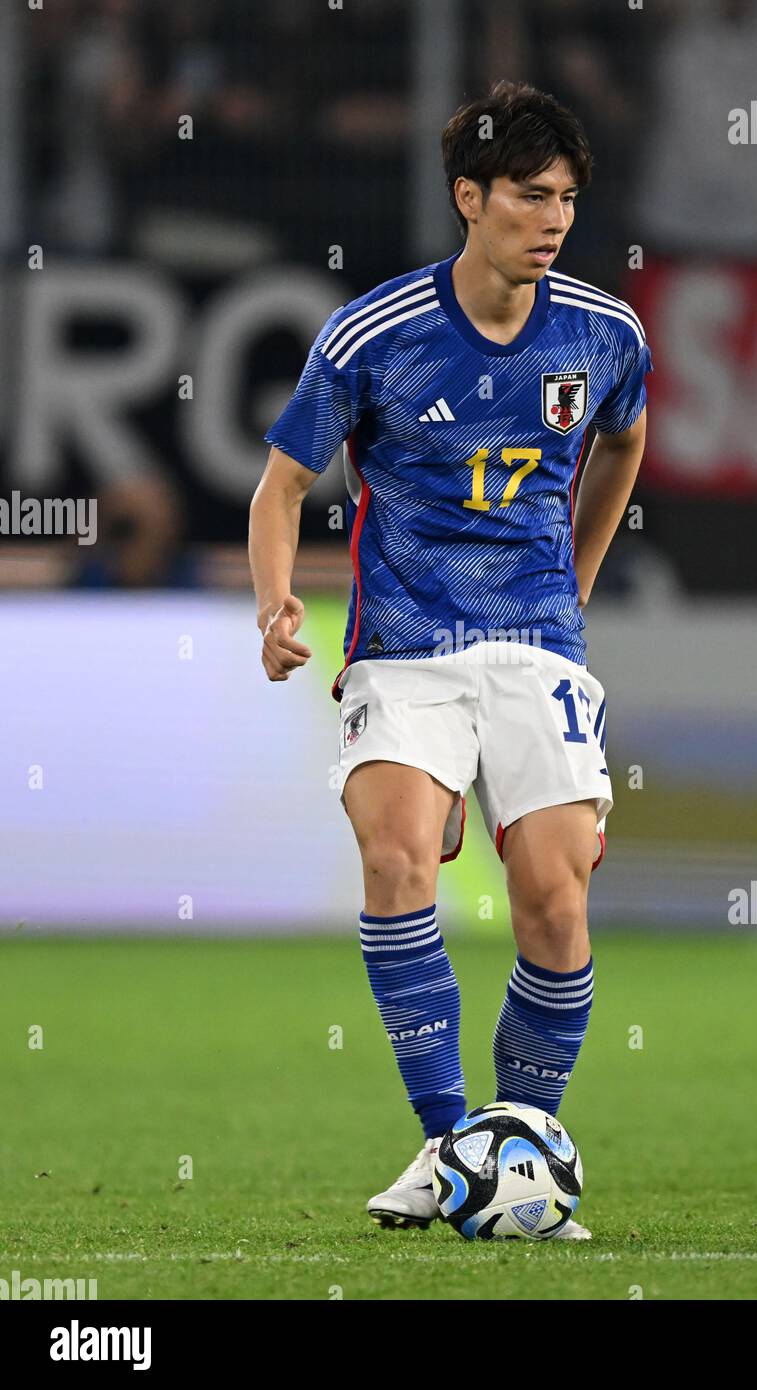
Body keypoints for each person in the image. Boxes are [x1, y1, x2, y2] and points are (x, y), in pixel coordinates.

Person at [249, 80, 652, 1240]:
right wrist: (276, 603)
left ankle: (515, 1150)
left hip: (537, 646)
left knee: (555, 900)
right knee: (395, 860)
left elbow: (623, 443)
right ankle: (444, 1142)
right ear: (469, 198)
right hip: (406, 649)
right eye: (529, 194)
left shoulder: (606, 333)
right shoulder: (373, 336)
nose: (553, 218)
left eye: (566, 197)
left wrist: (574, 586)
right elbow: (282, 487)